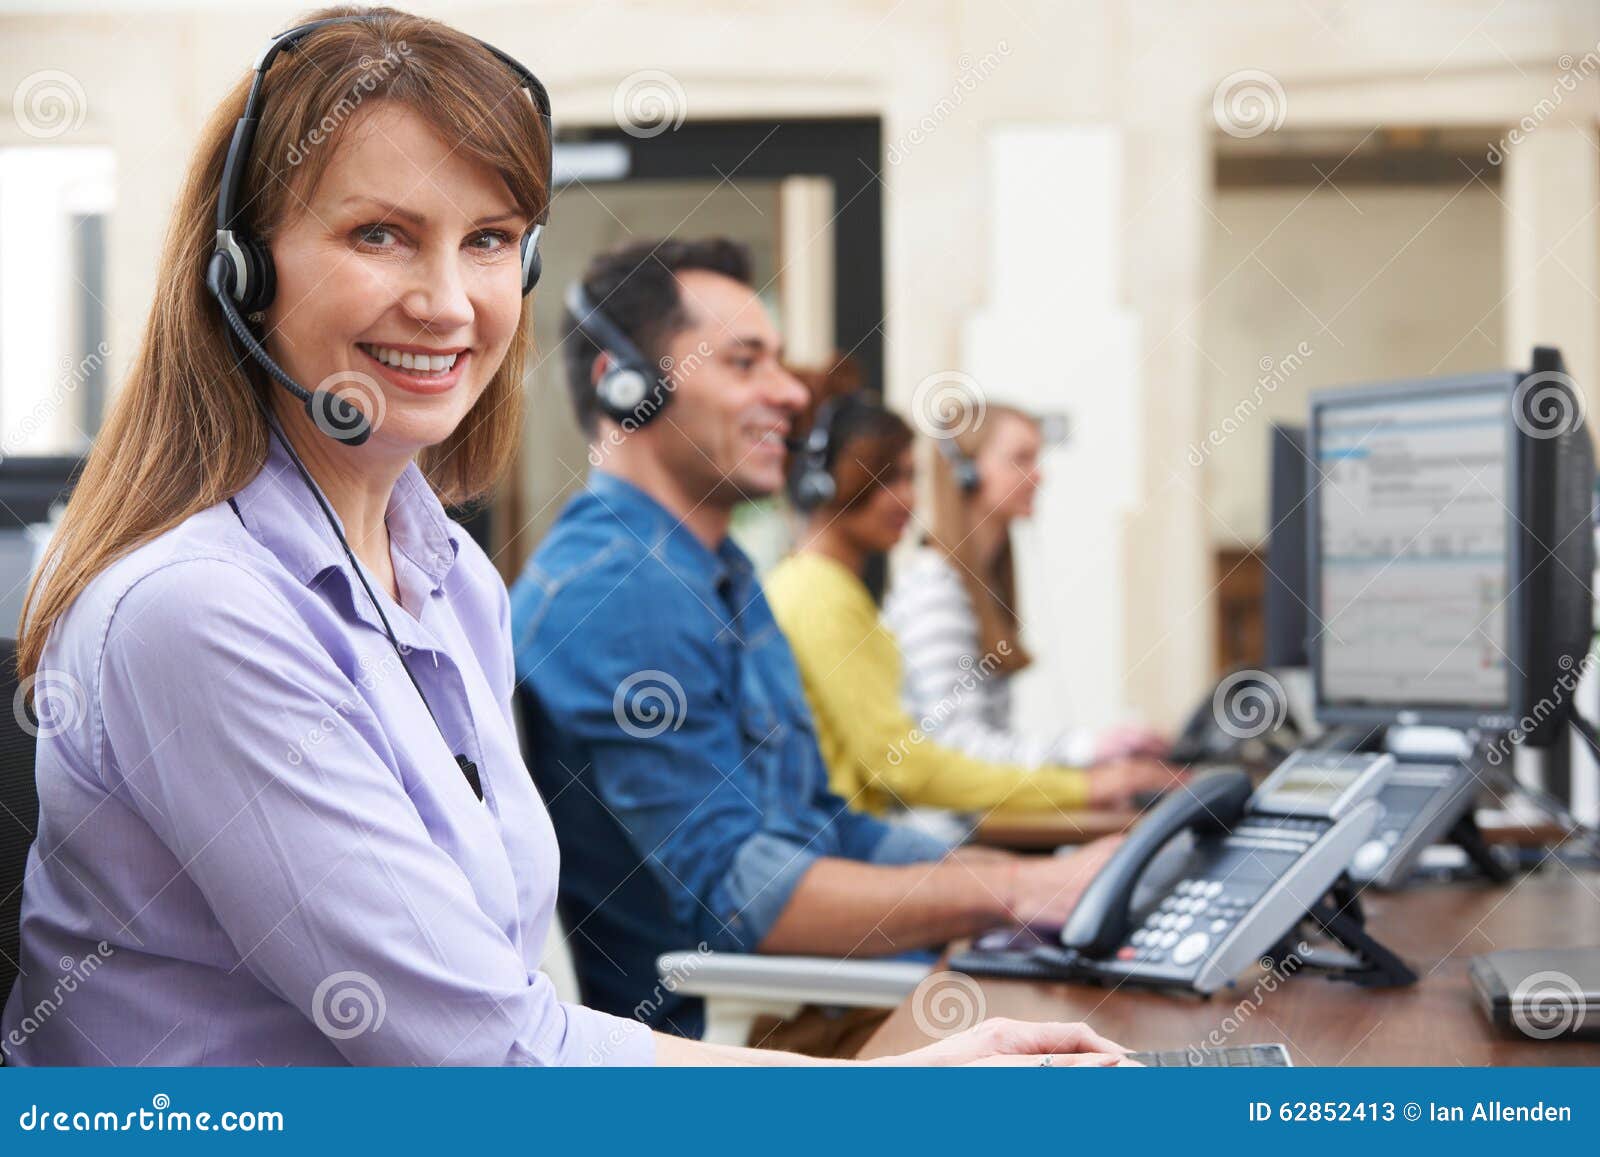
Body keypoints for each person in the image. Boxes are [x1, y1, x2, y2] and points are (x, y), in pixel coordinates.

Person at [0, 8, 1128, 1069]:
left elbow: (500, 1011)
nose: (448, 301)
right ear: (242, 273)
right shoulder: (197, 609)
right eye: (380, 233)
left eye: (489, 240)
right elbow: (484, 1054)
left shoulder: (453, 584)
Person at [511, 237, 1132, 1046]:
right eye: (744, 363)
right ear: (625, 386)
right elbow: (742, 899)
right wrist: (1017, 891)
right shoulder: (620, 592)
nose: (787, 393)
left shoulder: (716, 568)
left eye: (775, 360)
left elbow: (823, 821)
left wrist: (1043, 880)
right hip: (728, 1036)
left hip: (804, 995)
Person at [766, 385, 1179, 821]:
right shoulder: (834, 594)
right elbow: (907, 763)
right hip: (896, 836)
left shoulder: (836, 590)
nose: (908, 498)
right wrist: (1084, 777)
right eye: (1020, 459)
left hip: (884, 833)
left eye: (911, 478)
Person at [883, 403, 1169, 769]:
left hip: (983, 817)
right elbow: (954, 745)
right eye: (1020, 459)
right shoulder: (935, 588)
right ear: (965, 474)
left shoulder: (982, 583)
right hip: (947, 825)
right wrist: (1082, 751)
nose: (1039, 476)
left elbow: (986, 740)